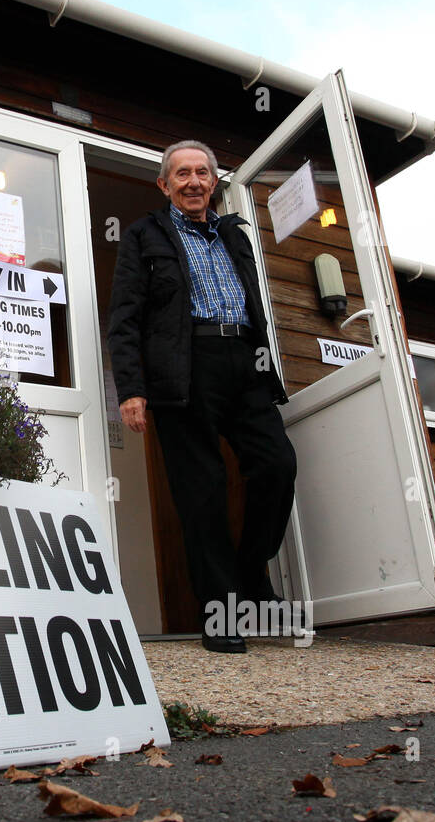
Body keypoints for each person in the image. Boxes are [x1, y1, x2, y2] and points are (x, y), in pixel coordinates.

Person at [107, 140, 297, 653]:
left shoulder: (236, 234)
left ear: (214, 182)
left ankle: (250, 572)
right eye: (182, 174)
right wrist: (132, 389)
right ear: (164, 185)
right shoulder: (144, 236)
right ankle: (223, 611)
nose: (194, 181)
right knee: (202, 491)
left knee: (277, 465)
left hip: (245, 363)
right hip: (183, 370)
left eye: (203, 173)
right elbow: (124, 318)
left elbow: (256, 307)